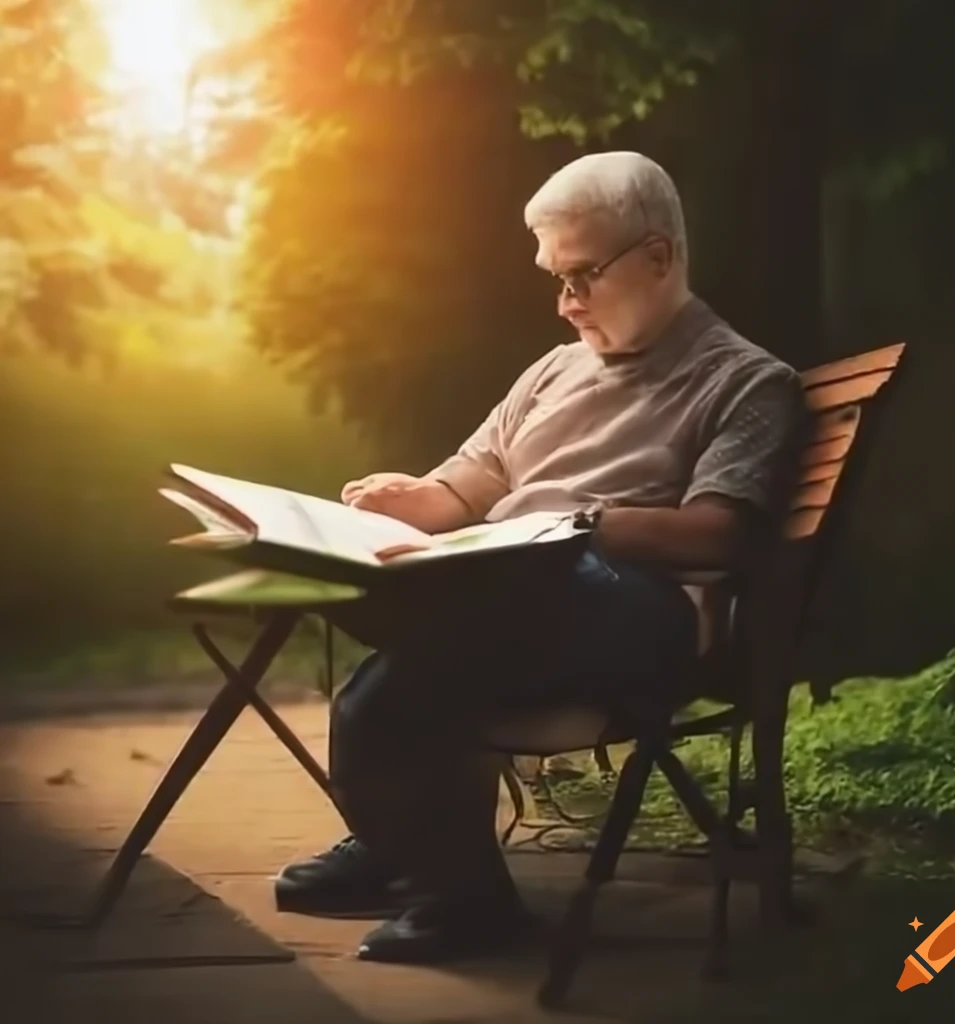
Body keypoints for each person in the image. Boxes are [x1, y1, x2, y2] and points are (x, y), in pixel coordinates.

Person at [274, 151, 808, 964]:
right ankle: (426, 866)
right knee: (380, 693)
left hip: (634, 603)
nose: (565, 304)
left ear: (659, 257)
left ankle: (422, 858)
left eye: (583, 275)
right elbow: (468, 484)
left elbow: (718, 535)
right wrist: (407, 499)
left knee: (475, 614)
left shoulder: (743, 381)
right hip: (513, 587)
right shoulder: (553, 371)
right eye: (557, 279)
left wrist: (578, 525)